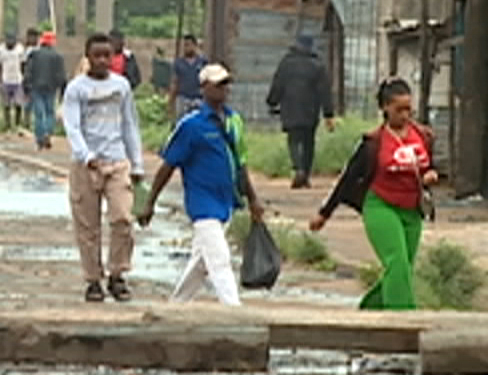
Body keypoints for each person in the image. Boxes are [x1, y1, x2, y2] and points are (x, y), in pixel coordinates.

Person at [309, 77, 438, 311]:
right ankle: (404, 323)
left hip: (412, 211)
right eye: (399, 109)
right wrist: (324, 213)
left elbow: (428, 167)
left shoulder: (424, 136)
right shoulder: (373, 142)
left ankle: (369, 310)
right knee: (396, 262)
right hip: (381, 206)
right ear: (385, 108)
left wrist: (429, 176)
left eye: (409, 109)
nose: (405, 115)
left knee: (403, 270)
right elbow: (347, 178)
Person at [140, 63, 264, 306]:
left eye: (226, 84)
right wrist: (150, 202)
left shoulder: (233, 122)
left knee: (201, 262)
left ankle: (176, 306)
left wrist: (253, 198)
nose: (224, 90)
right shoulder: (191, 126)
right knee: (219, 258)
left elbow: (241, 163)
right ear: (204, 88)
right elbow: (168, 166)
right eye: (218, 85)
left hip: (226, 201)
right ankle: (234, 309)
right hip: (201, 203)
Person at [63, 33, 146, 303]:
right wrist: (85, 155)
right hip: (86, 165)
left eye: (106, 55)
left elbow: (130, 125)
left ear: (113, 57)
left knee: (123, 218)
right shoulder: (76, 89)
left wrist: (137, 163)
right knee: (88, 226)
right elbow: (72, 126)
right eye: (96, 55)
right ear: (87, 58)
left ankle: (117, 274)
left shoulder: (121, 87)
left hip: (117, 161)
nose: (101, 60)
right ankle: (93, 280)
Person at [267, 34, 338, 189]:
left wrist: (272, 102)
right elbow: (324, 92)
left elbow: (277, 85)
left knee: (293, 139)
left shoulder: (286, 64)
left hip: (290, 109)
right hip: (310, 110)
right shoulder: (317, 65)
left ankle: (297, 168)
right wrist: (328, 113)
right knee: (308, 142)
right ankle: (305, 173)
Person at [23, 31, 67, 152]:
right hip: (51, 88)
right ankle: (48, 133)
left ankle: (40, 137)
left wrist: (26, 86)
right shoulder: (57, 56)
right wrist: (63, 89)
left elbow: (28, 72)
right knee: (49, 112)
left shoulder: (34, 55)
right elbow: (62, 75)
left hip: (36, 87)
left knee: (39, 113)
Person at [0, 31, 27, 131]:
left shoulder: (20, 49)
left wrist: (24, 77)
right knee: (6, 104)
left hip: (18, 80)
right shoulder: (0, 50)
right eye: (9, 41)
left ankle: (17, 124)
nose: (11, 43)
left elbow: (23, 65)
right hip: (6, 80)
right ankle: (7, 125)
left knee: (18, 104)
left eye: (13, 41)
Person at [172, 35, 209, 121]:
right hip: (183, 98)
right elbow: (175, 82)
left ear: (195, 46)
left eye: (188, 45)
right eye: (184, 45)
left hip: (198, 99)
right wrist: (172, 102)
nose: (186, 48)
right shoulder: (179, 63)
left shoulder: (202, 62)